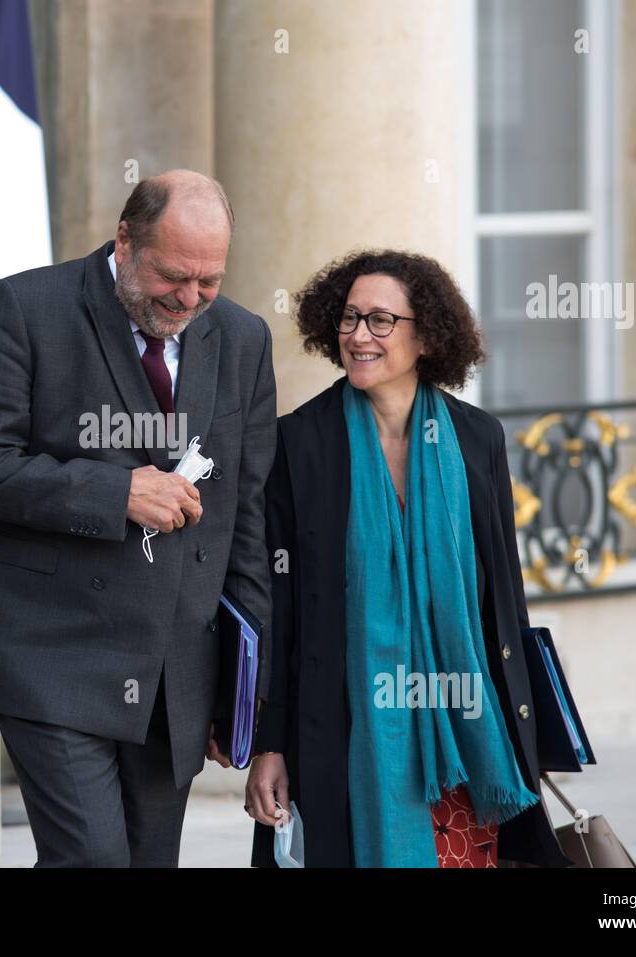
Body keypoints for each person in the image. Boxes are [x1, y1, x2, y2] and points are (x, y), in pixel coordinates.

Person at [0, 170, 277, 867]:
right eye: (175, 276)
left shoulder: (243, 336)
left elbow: (247, 519)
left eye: (209, 281)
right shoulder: (22, 307)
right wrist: (113, 491)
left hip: (175, 670)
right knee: (92, 859)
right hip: (48, 650)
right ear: (125, 239)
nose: (190, 299)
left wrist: (247, 692)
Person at [245, 249, 571, 868]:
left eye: (380, 321)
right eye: (348, 318)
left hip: (467, 739)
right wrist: (271, 743)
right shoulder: (299, 443)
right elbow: (280, 611)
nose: (358, 336)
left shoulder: (478, 439)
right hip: (342, 737)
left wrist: (531, 731)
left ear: (427, 337)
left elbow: (504, 598)